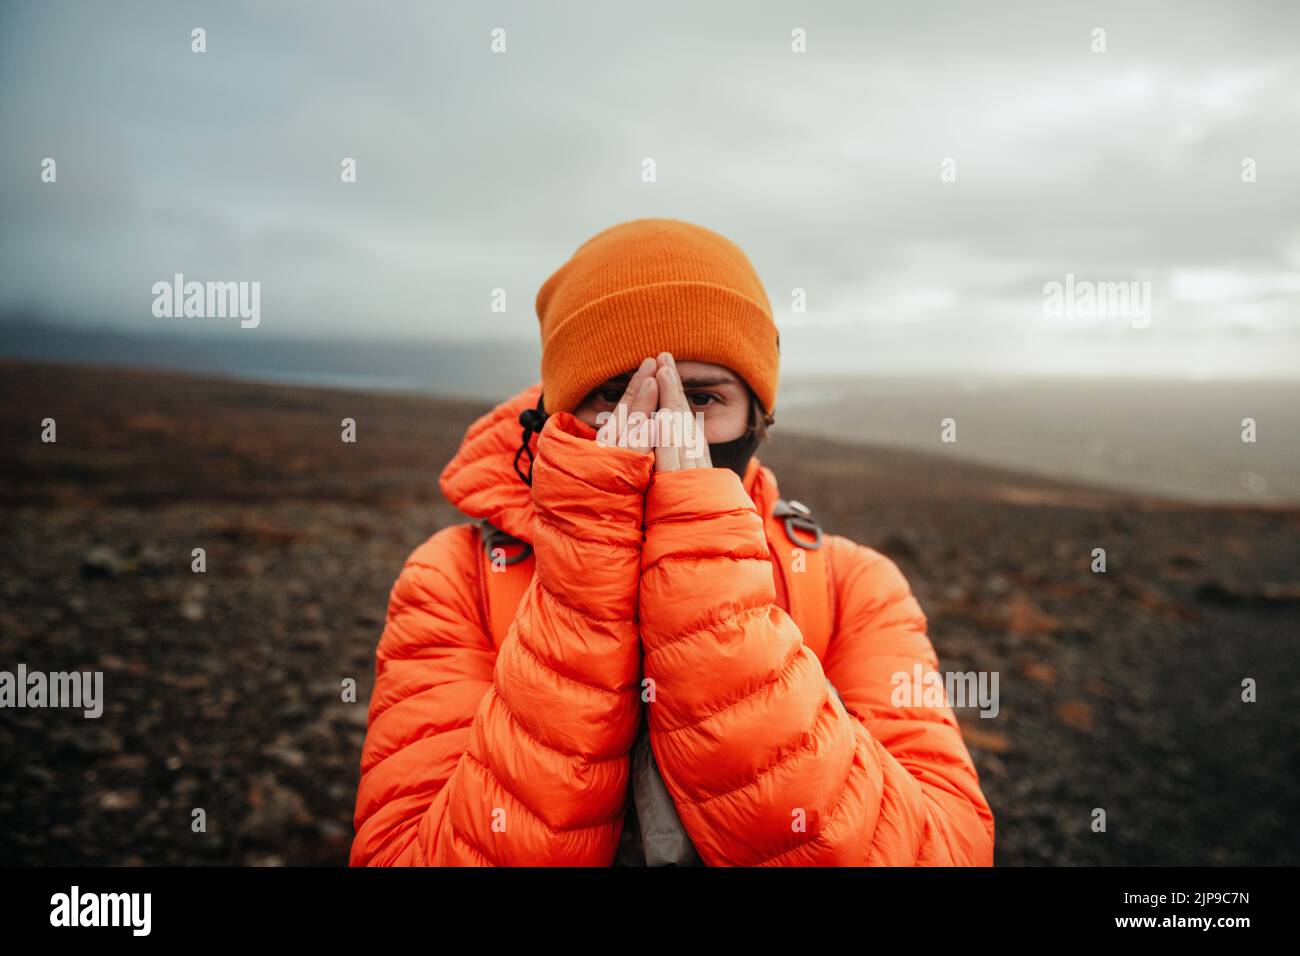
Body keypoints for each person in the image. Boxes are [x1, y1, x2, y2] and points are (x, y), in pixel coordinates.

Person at [348, 218, 996, 866]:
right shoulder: (455, 579)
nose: (666, 425)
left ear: (756, 417)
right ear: (557, 416)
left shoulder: (853, 585)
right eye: (617, 392)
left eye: (701, 396)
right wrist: (584, 582)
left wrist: (707, 591)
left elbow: (946, 851)